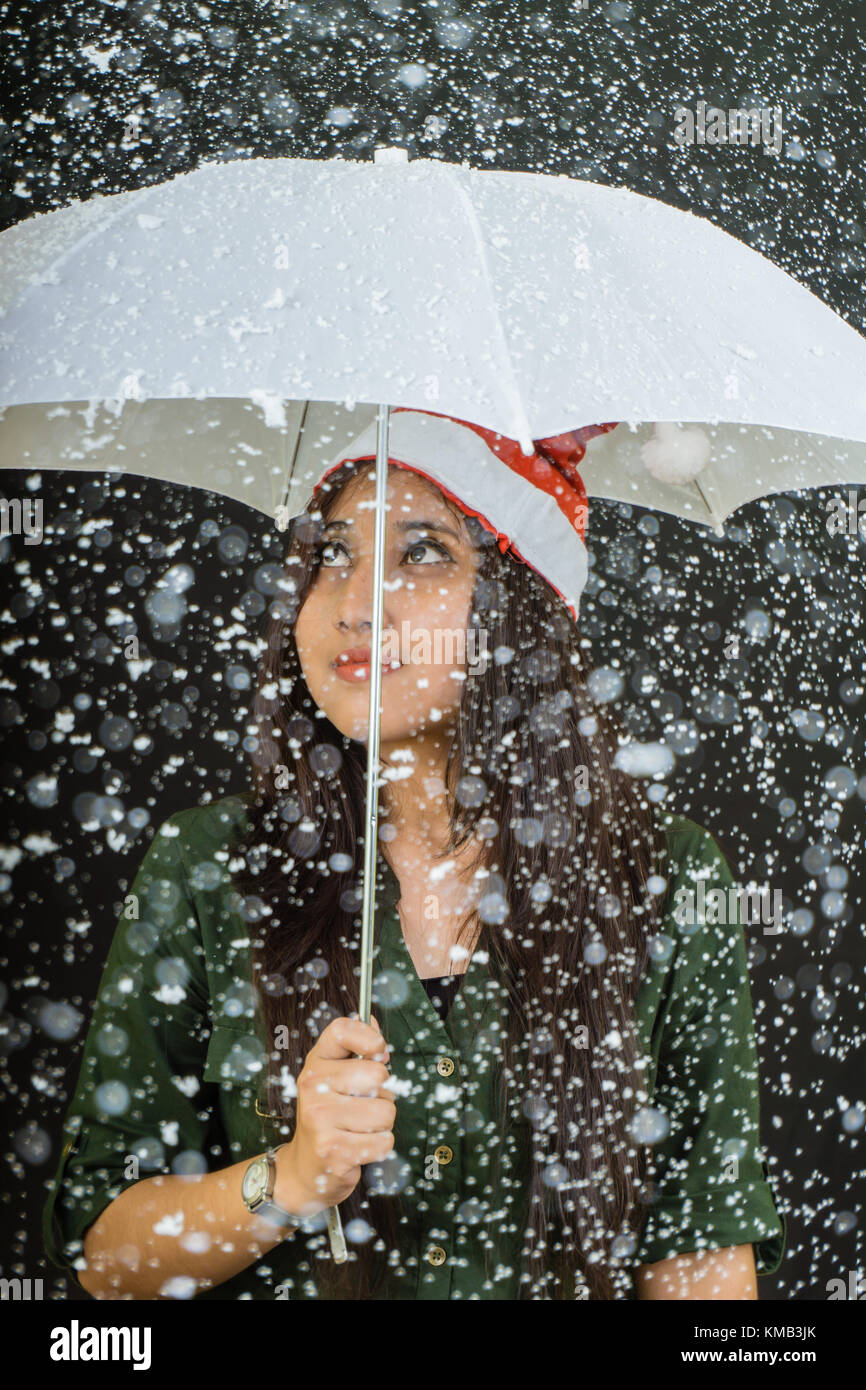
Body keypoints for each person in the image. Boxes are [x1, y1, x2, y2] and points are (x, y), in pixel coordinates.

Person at [43, 409, 785, 1300]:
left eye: (423, 553)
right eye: (332, 555)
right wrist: (285, 1181)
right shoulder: (207, 864)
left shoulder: (663, 872)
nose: (357, 604)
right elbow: (105, 1258)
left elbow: (702, 1257)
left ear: (520, 606)